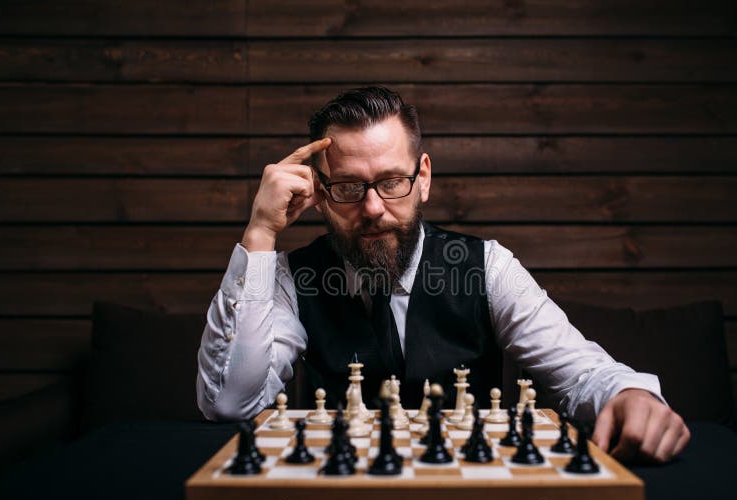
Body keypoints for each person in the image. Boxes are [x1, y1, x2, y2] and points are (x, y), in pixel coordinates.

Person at [196, 86, 690, 463]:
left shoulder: (488, 266)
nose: (373, 209)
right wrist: (260, 230)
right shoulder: (290, 278)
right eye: (348, 186)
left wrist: (628, 393)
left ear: (423, 178)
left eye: (391, 182)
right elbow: (229, 404)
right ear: (320, 193)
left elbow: (580, 372)